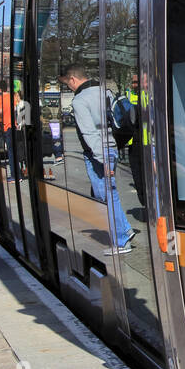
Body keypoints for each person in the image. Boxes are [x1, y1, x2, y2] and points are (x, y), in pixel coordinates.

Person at [60, 65, 132, 253]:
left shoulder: (80, 100)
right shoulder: (104, 91)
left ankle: (122, 240)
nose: (69, 87)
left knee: (106, 194)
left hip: (99, 153)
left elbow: (89, 133)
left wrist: (102, 159)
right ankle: (124, 230)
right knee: (109, 193)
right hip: (112, 148)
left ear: (73, 80)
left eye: (68, 84)